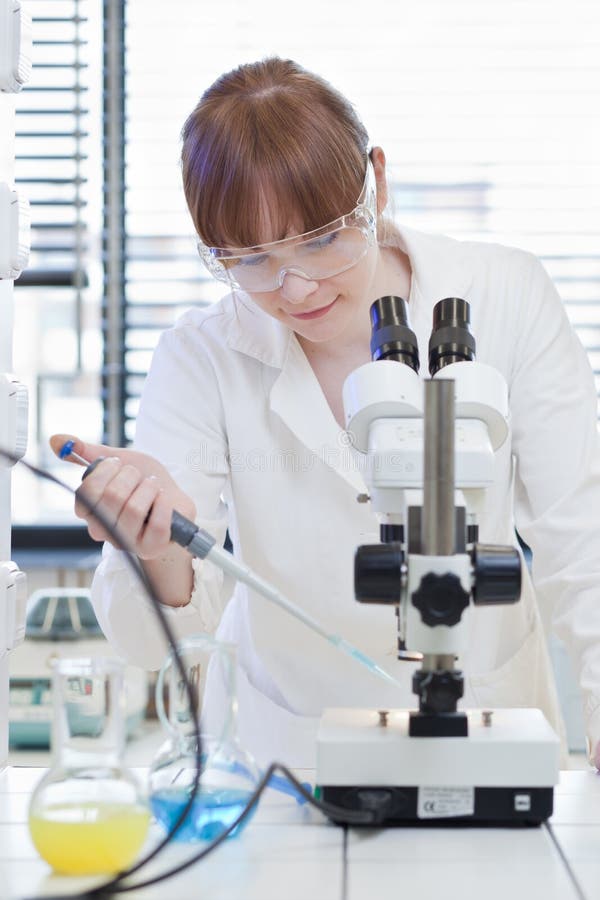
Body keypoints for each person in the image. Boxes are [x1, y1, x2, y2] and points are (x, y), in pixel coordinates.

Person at [53, 57, 600, 769]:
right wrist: (154, 544)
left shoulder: (507, 293)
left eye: (320, 239)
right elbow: (151, 643)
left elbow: (582, 534)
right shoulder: (201, 357)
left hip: (487, 730)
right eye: (252, 259)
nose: (297, 287)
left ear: (375, 179)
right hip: (288, 758)